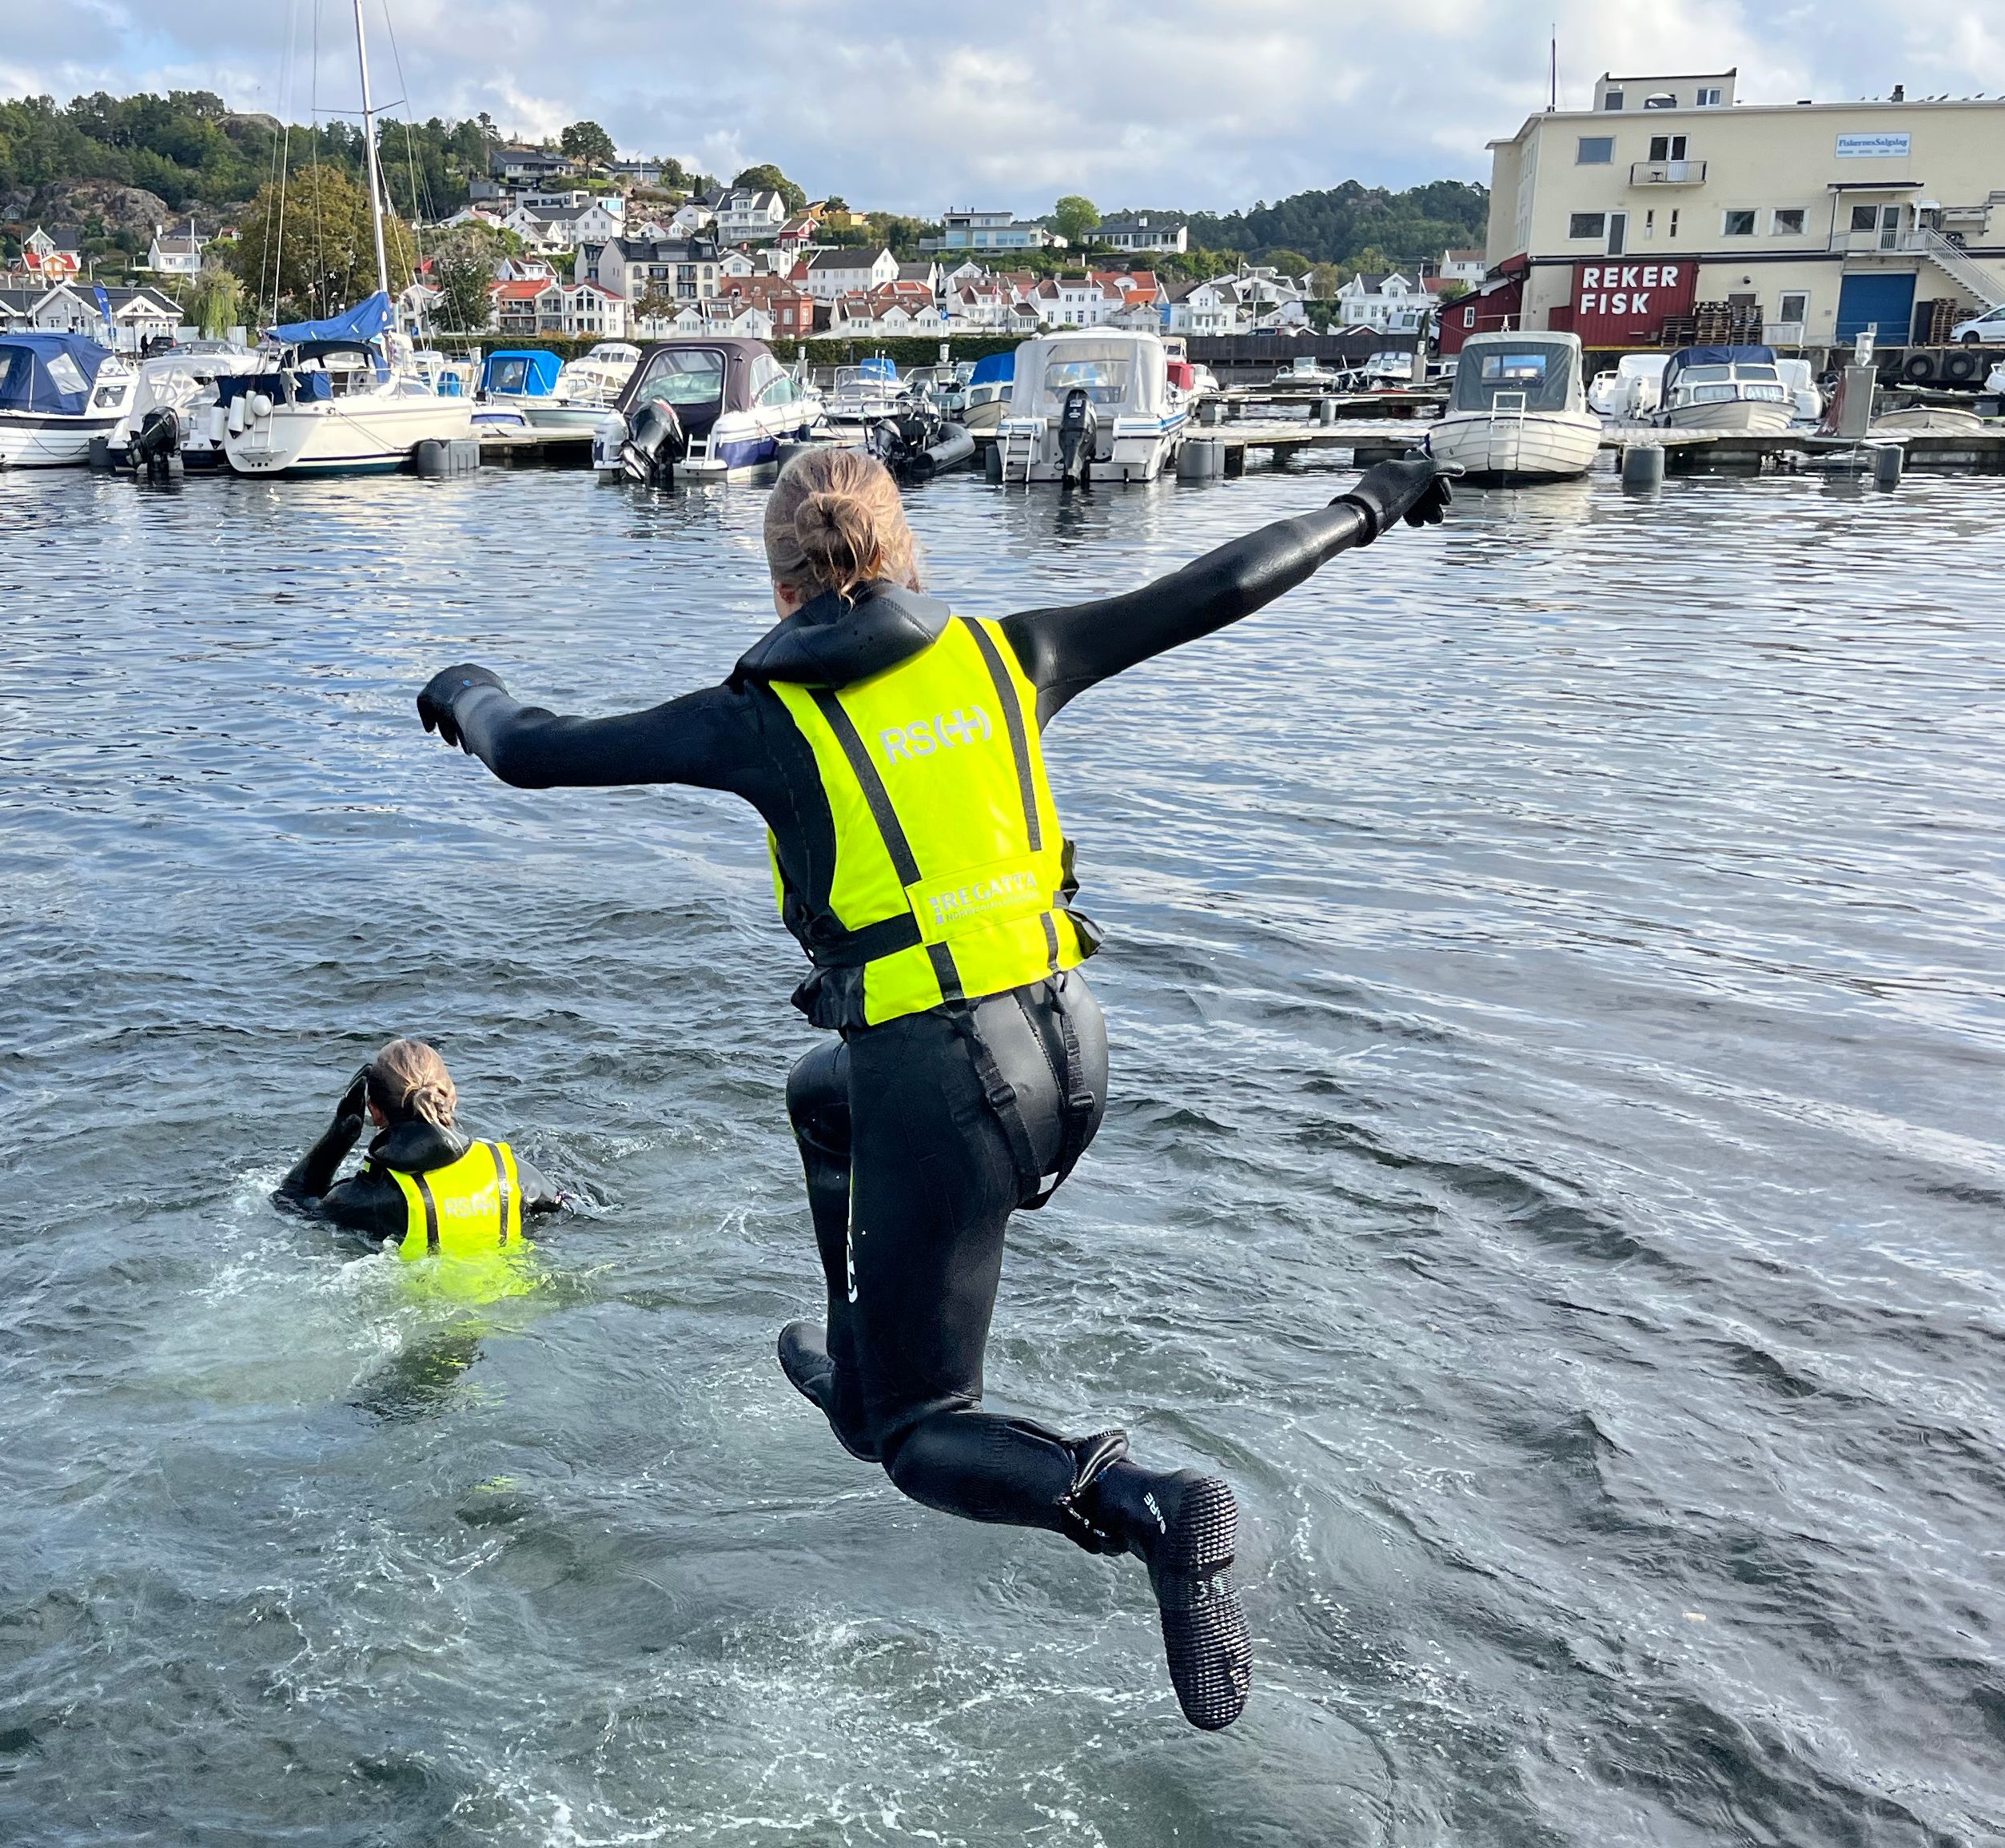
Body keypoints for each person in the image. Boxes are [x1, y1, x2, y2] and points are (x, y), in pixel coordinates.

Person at [413, 447, 1455, 1731]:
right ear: (904, 555)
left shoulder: (756, 718)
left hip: (945, 1087)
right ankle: (856, 1369)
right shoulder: (1008, 656)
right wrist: (1371, 504)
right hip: (1069, 1049)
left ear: (778, 579)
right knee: (819, 1091)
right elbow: (1223, 579)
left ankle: (1143, 1504)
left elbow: (528, 751)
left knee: (919, 1442)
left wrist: (464, 686)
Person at [275, 1038, 564, 1260]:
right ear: (452, 1096)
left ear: (375, 1113)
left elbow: (288, 1202)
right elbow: (565, 1211)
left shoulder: (367, 1198)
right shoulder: (508, 1170)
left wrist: (340, 1135)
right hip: (508, 1310)